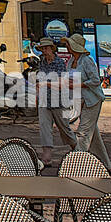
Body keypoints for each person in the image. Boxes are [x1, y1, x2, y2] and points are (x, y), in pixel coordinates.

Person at [66, 35, 111, 170]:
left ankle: (76, 164)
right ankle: (105, 164)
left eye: (69, 45)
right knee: (93, 135)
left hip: (92, 101)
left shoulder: (87, 61)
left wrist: (79, 84)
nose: (67, 47)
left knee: (83, 133)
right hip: (80, 101)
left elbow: (95, 80)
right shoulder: (70, 62)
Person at [34, 36, 77, 165]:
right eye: (42, 49)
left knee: (64, 127)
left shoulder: (59, 63)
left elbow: (61, 83)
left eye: (46, 48)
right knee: (44, 127)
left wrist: (45, 83)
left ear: (52, 49)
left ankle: (77, 148)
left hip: (58, 100)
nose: (44, 51)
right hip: (44, 100)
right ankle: (47, 156)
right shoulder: (42, 62)